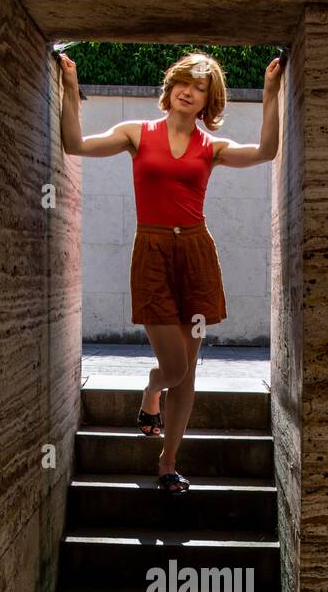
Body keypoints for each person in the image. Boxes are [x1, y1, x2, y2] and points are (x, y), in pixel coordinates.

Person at [59, 49, 282, 493]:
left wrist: (271, 92)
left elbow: (266, 151)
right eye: (184, 81)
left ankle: (168, 462)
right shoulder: (136, 134)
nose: (189, 90)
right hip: (153, 253)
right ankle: (151, 389)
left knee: (190, 371)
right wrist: (69, 88)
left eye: (200, 86)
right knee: (174, 368)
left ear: (208, 100)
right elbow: (75, 145)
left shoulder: (210, 148)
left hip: (196, 255)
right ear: (171, 87)